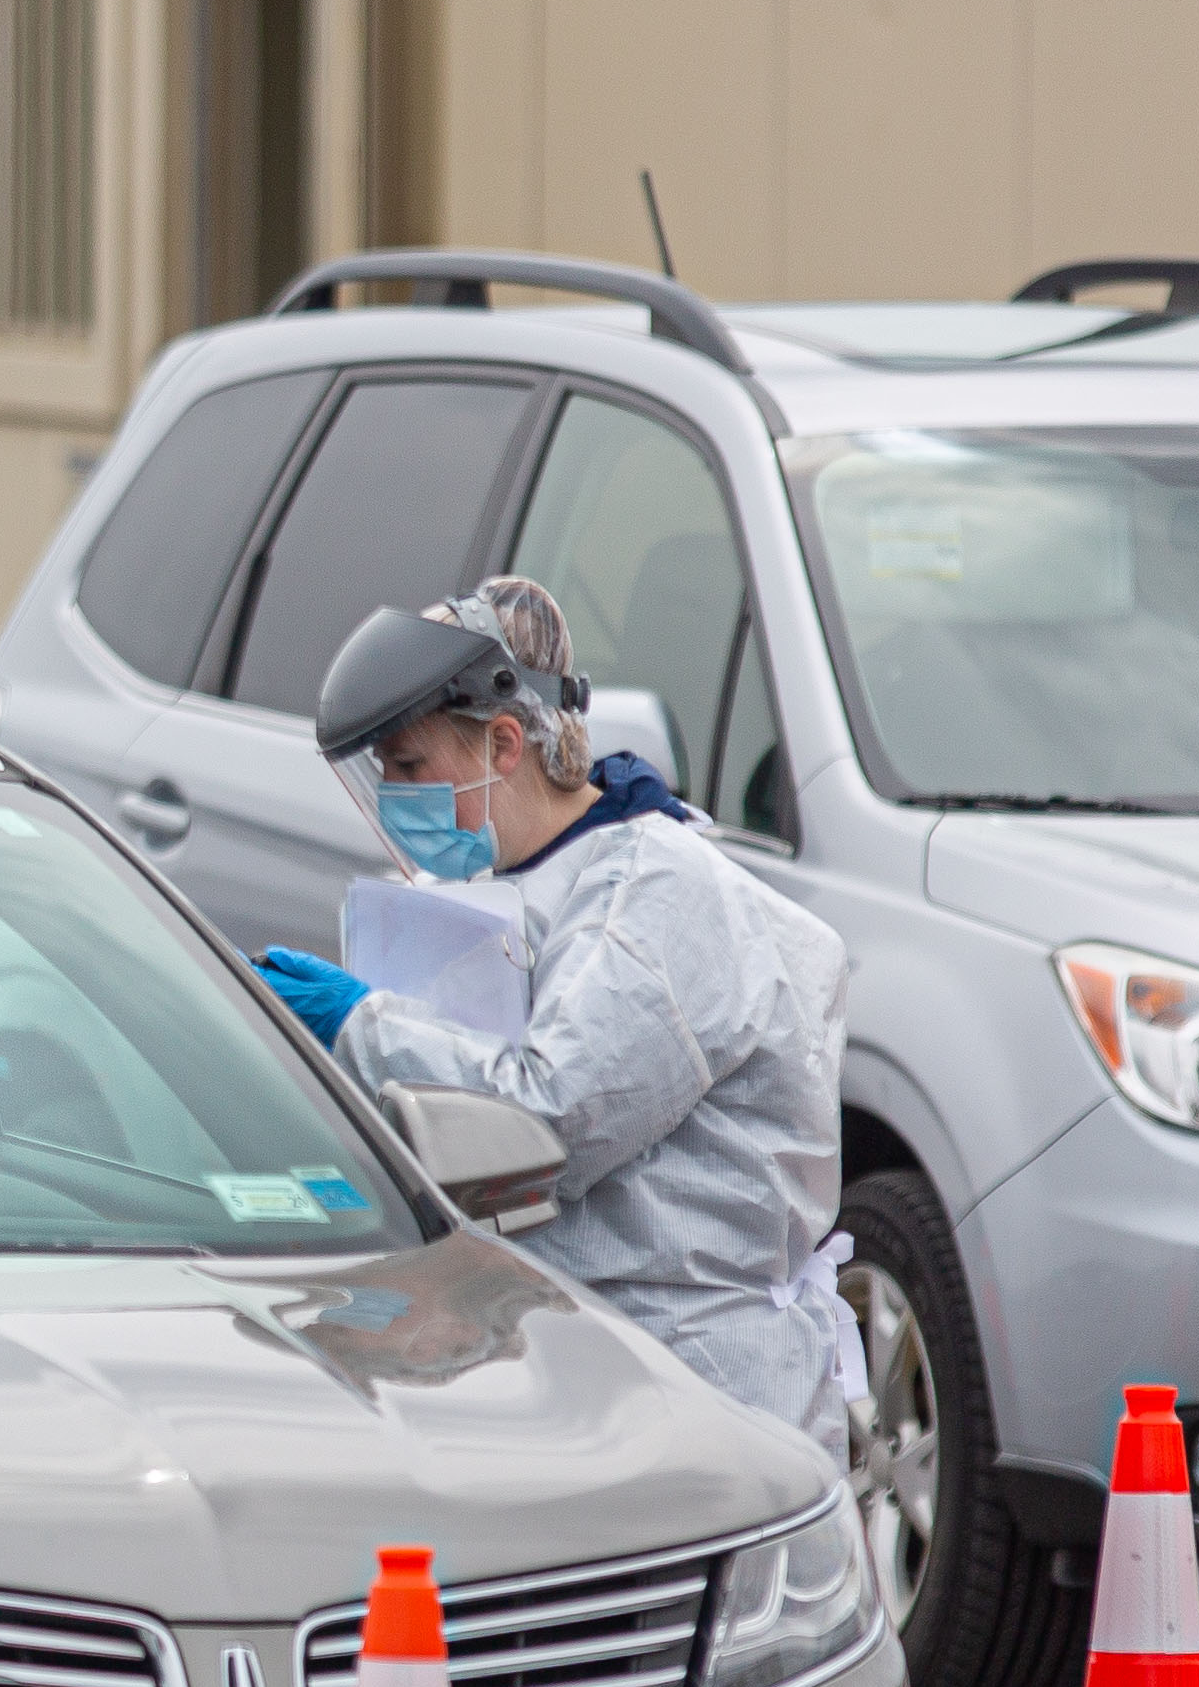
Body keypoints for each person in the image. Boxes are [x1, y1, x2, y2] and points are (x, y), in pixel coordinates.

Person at [253, 579, 859, 1465]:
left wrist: (358, 1026)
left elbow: (549, 1121)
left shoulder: (662, 894)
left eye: (410, 767)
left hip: (704, 1392)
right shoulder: (517, 882)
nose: (392, 797)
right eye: (379, 774)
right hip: (587, 1368)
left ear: (504, 741)